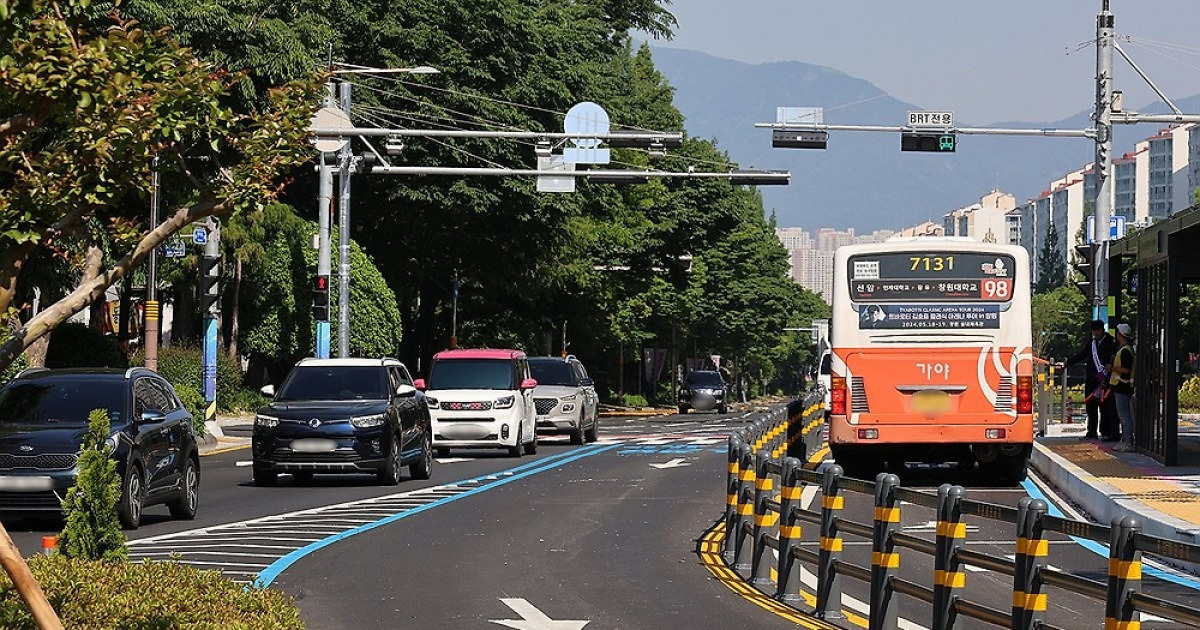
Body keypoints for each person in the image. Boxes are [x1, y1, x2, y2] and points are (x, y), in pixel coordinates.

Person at [1065, 319, 1118, 440]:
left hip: (1104, 380)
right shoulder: (1092, 344)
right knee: (1090, 406)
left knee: (1104, 406)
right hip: (1091, 379)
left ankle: (1105, 431)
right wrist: (1067, 363)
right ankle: (1091, 431)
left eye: (1097, 330)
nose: (1096, 333)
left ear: (1102, 330)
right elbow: (1081, 355)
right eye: (1094, 331)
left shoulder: (1110, 342)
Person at [1110, 323, 1136, 452]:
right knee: (1124, 415)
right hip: (1121, 386)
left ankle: (1128, 442)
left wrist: (1112, 368)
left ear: (1120, 334)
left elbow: (1126, 369)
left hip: (1123, 386)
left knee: (1125, 416)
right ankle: (1125, 440)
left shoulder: (1125, 351)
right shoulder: (1125, 349)